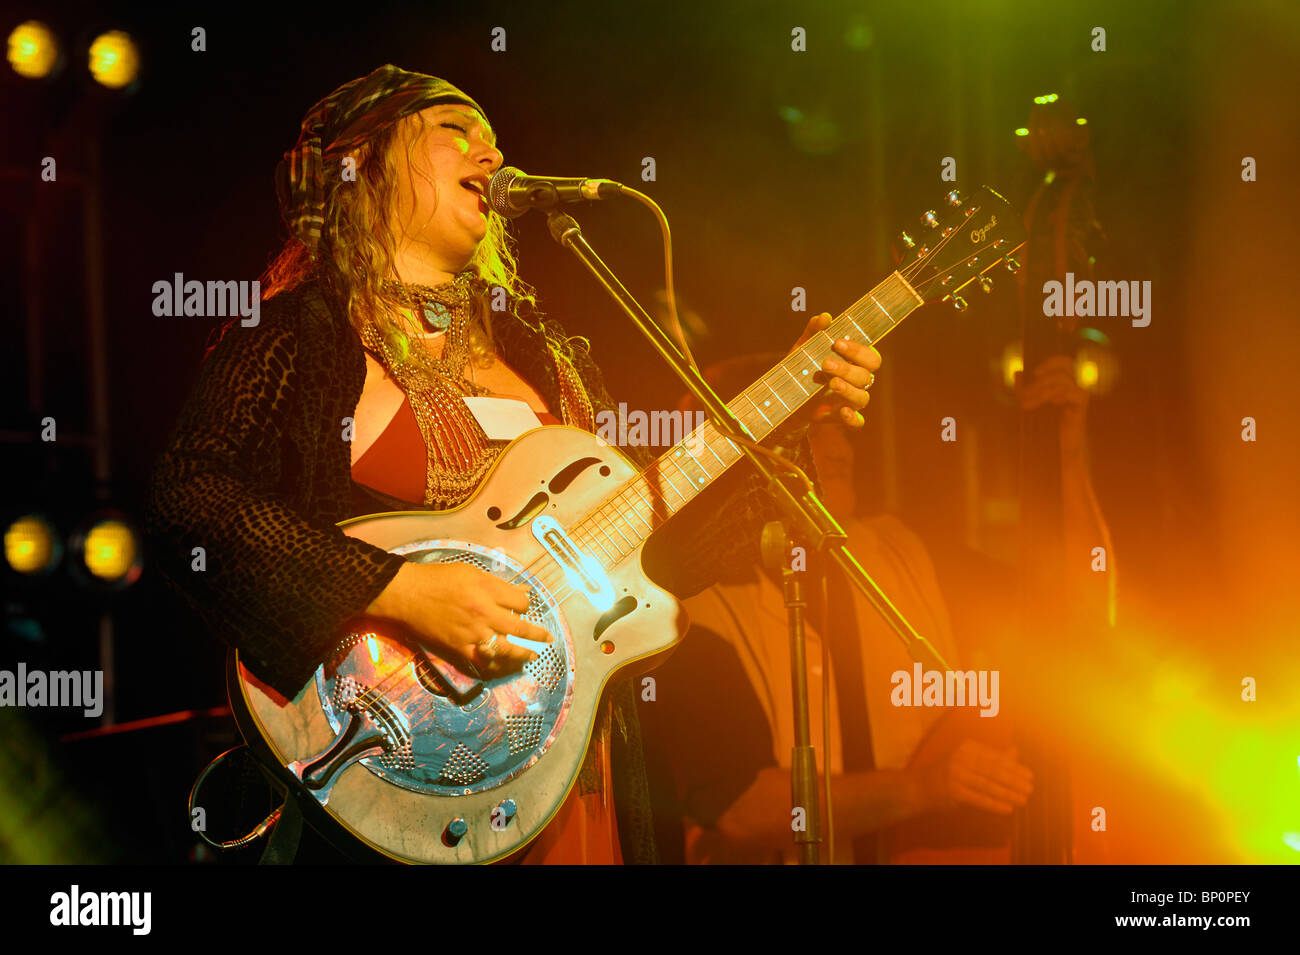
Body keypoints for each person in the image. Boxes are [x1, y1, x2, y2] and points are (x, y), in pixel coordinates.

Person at [145, 65, 880, 864]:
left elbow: (649, 560)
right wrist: (401, 589)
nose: (491, 156)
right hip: (387, 771)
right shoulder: (302, 334)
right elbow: (189, 498)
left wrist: (778, 433)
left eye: (497, 142)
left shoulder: (545, 354)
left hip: (558, 782)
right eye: (455, 131)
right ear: (362, 162)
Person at [642, 350, 1113, 864]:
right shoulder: (685, 610)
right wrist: (922, 789)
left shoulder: (909, 551)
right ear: (735, 454)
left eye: (842, 429)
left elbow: (1079, 610)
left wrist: (1065, 453)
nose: (841, 448)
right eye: (814, 427)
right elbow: (740, 809)